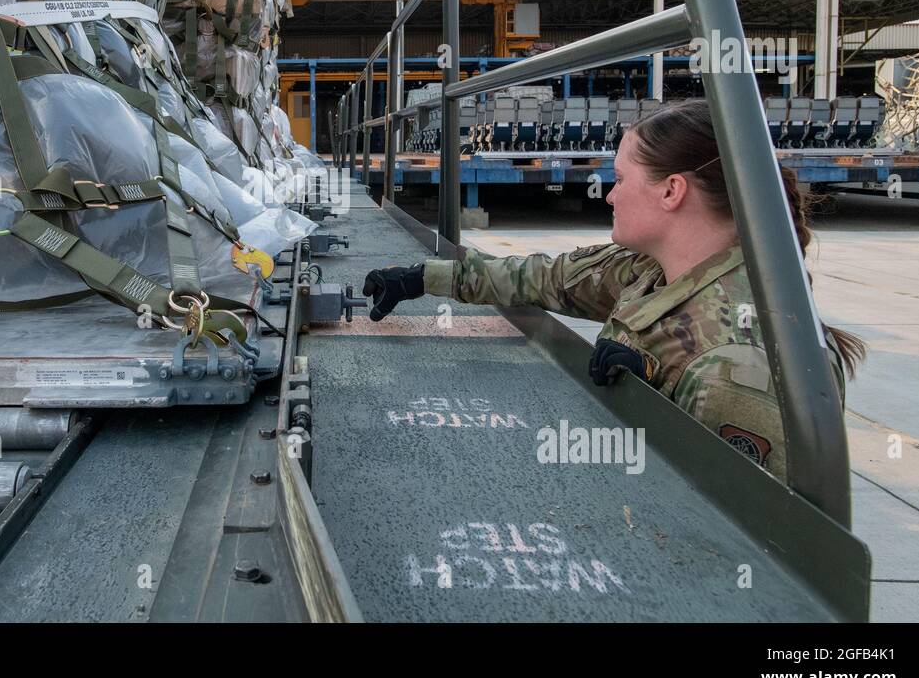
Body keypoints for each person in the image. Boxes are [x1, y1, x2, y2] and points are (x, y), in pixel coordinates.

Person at [361, 99, 864, 479]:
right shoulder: (648, 269)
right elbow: (545, 278)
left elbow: (746, 539)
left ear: (672, 191)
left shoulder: (738, 364)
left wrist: (654, 413)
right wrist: (423, 277)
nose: (610, 193)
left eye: (620, 178)